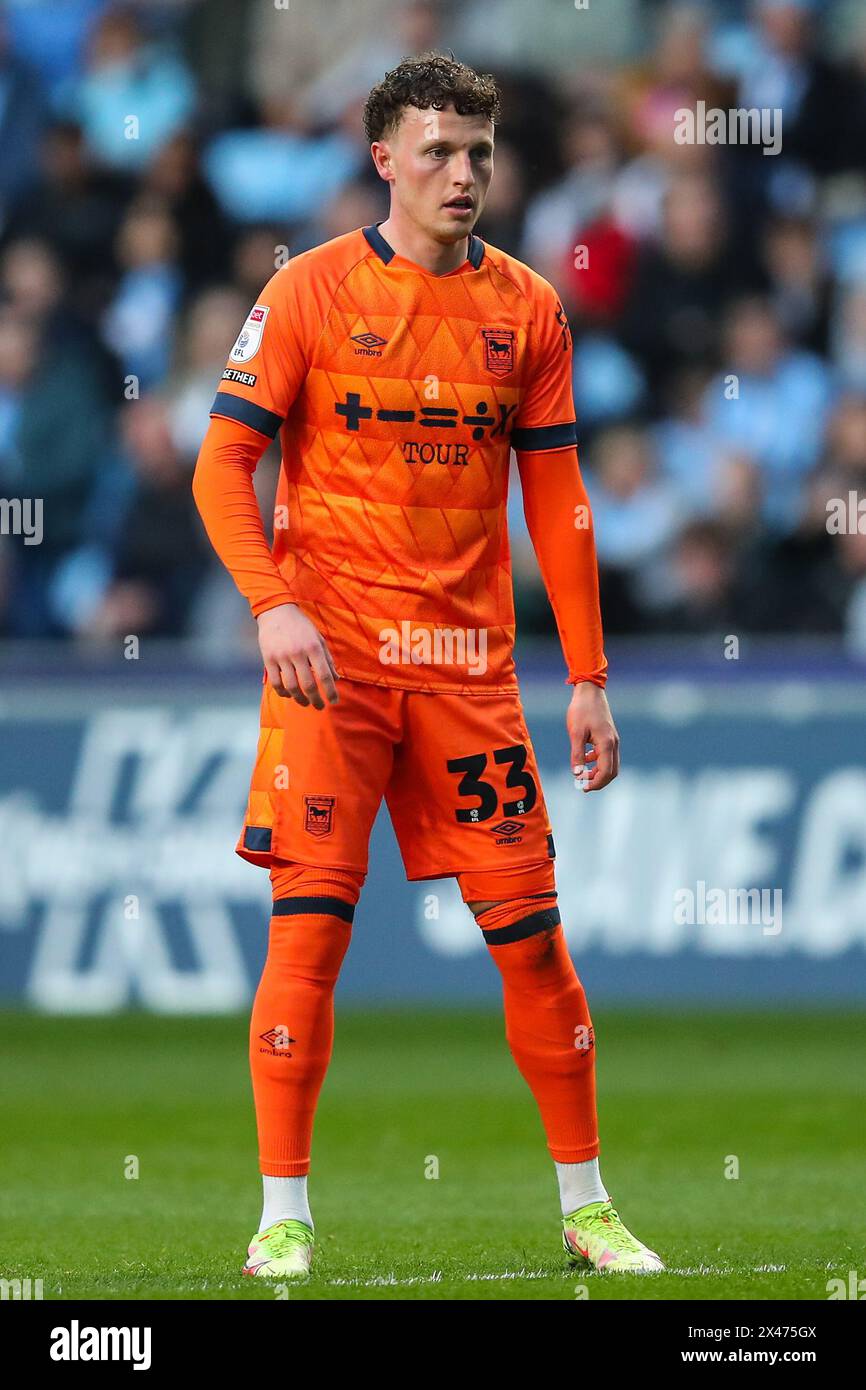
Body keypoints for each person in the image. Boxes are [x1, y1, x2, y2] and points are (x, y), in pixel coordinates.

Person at [192, 53, 663, 1280]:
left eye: (479, 153)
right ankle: (281, 1214)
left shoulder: (528, 309)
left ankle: (585, 1205)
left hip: (466, 671)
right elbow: (216, 468)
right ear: (383, 159)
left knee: (532, 941)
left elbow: (558, 502)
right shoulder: (302, 291)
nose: (463, 173)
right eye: (439, 151)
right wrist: (270, 607)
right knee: (308, 934)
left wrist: (589, 673)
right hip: (330, 670)